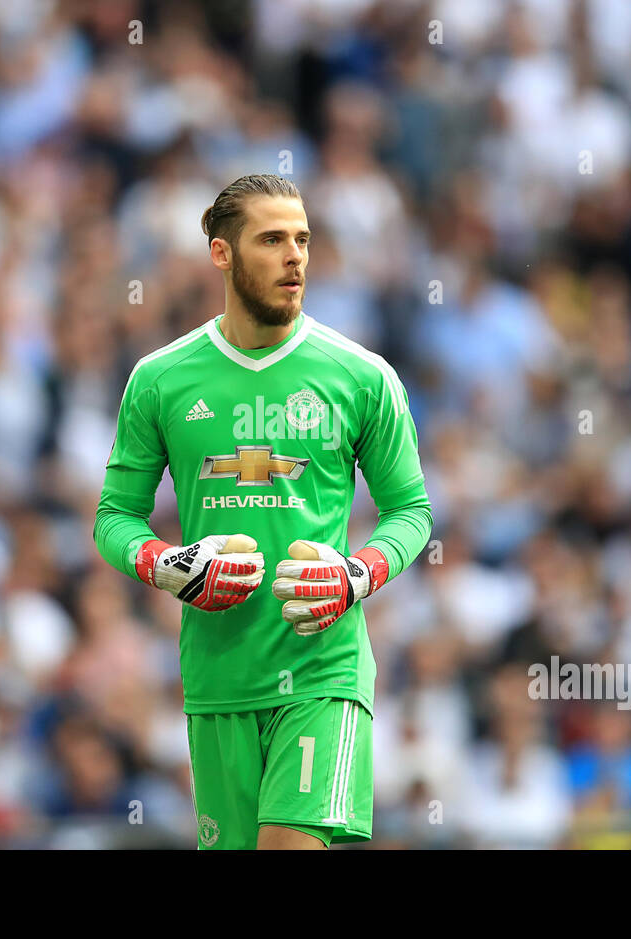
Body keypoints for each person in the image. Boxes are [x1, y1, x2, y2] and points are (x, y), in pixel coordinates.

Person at [94, 174, 433, 849]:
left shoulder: (361, 376)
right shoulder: (160, 379)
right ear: (221, 253)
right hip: (218, 677)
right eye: (273, 239)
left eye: (303, 239)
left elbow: (411, 511)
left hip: (321, 668)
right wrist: (170, 565)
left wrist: (354, 576)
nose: (295, 256)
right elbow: (113, 519)